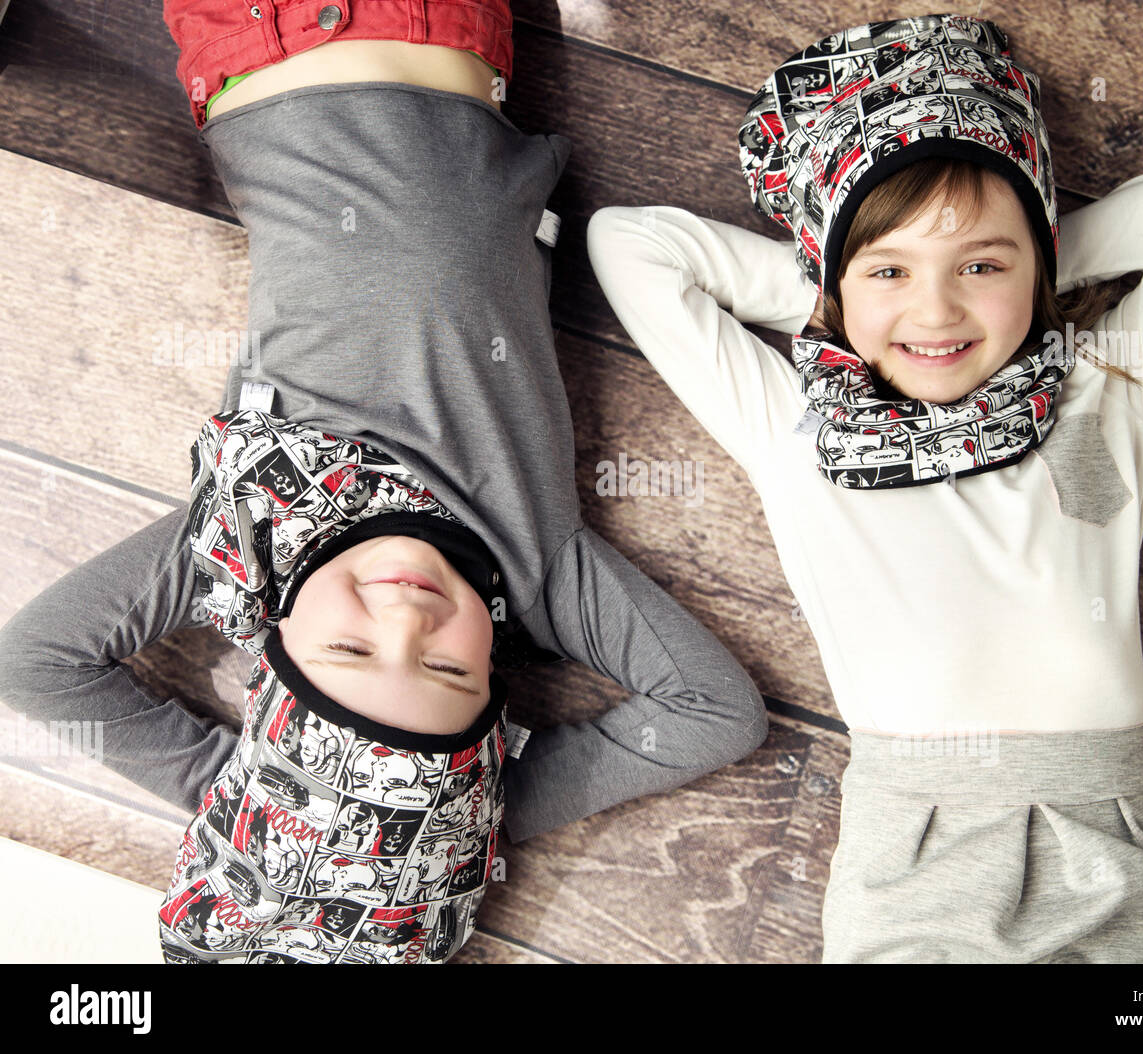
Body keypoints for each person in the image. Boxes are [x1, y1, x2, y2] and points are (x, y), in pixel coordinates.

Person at [0, 0, 768, 963]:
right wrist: (457, 811)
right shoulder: (536, 568)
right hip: (457, 39)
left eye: (352, 656)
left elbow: (33, 664)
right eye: (450, 669)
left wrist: (255, 791)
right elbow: (716, 717)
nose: (408, 619)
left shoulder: (240, 542)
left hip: (265, 36)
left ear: (274, 644)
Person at [586, 13, 1143, 962]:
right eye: (895, 272)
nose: (938, 310)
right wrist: (846, 296)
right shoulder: (799, 427)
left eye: (979, 268)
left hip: (1116, 850)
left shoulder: (1099, 391)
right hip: (915, 870)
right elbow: (629, 246)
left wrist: (1023, 278)